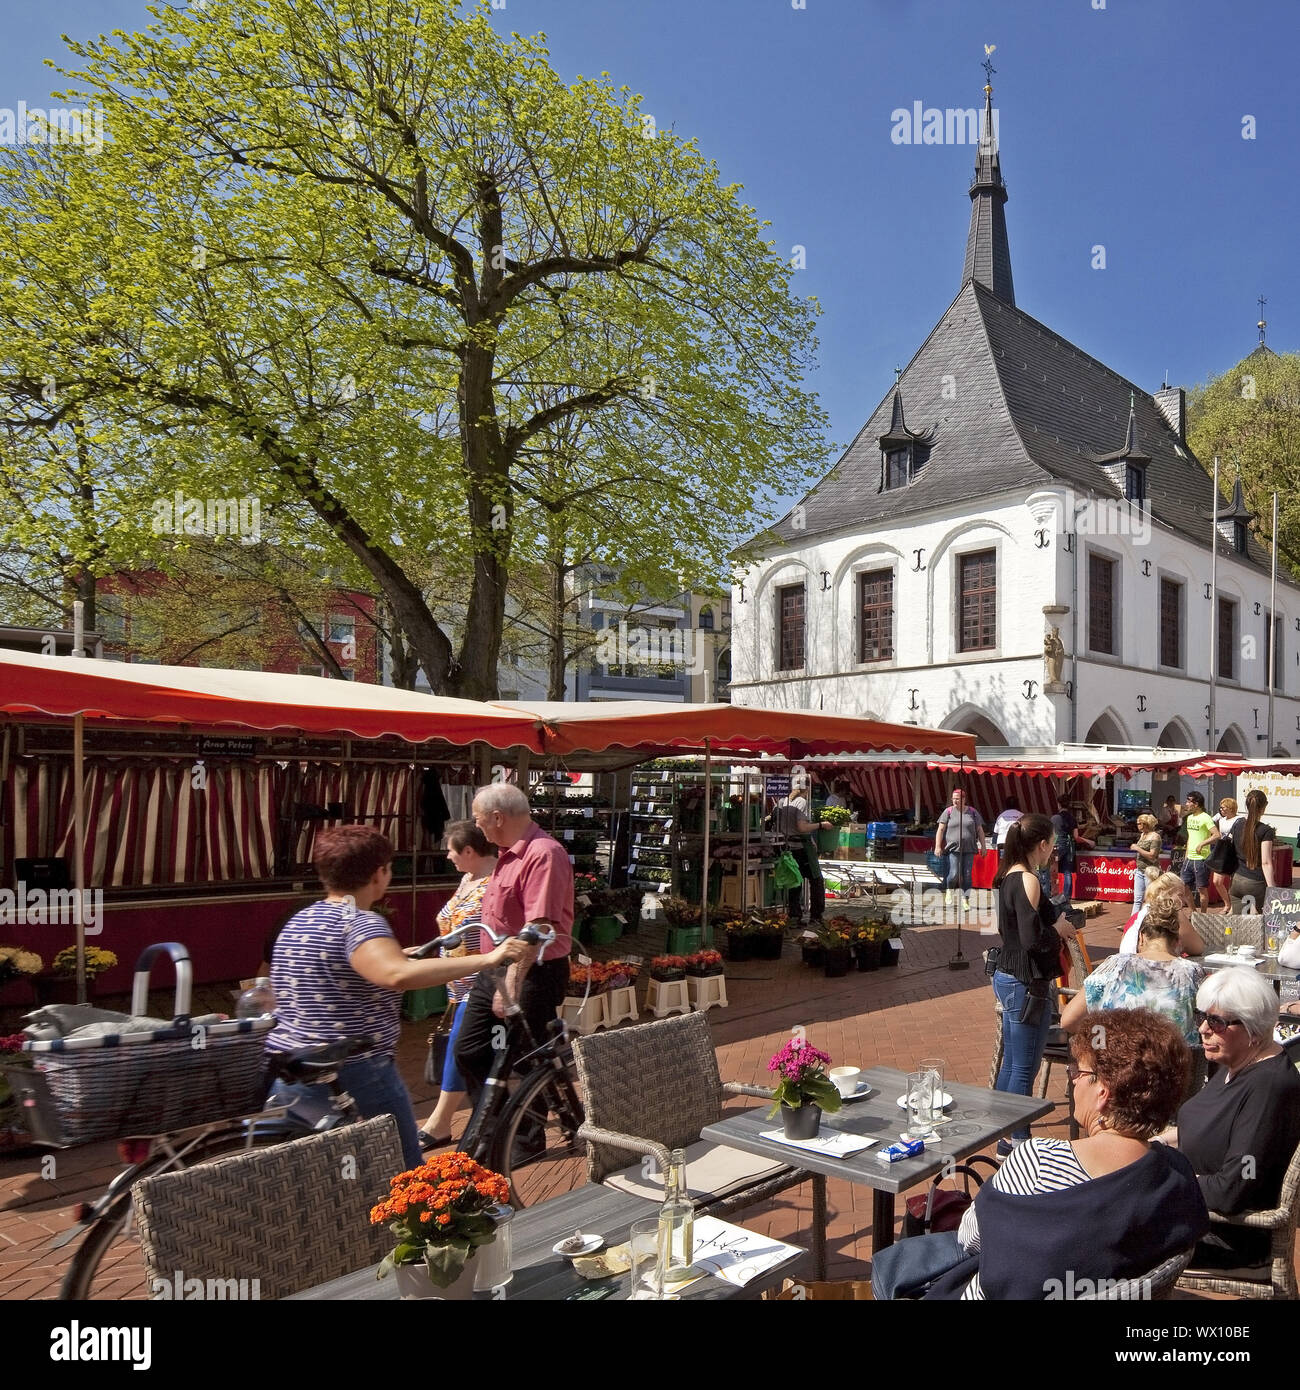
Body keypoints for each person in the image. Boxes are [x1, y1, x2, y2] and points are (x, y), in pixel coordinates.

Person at [870, 1010, 1208, 1300]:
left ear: (1103, 1092)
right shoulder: (1177, 1175)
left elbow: (970, 1237)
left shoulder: (1038, 1161)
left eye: (1080, 1074)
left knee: (896, 1269)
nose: (1073, 1081)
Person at [264, 825, 527, 1168]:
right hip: (356, 1069)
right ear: (380, 873)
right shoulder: (360, 924)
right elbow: (396, 976)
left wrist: (398, 954)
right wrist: (489, 958)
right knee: (404, 1171)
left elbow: (334, 969)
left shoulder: (301, 918)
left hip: (289, 1066)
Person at [455, 784, 574, 1153]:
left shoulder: (543, 854)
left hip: (531, 971)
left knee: (525, 1057)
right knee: (471, 1049)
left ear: (497, 818)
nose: (478, 828)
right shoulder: (507, 854)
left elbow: (538, 928)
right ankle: (497, 1127)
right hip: (496, 968)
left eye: (479, 820)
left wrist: (511, 983)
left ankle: (524, 1139)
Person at [1157, 968, 1300, 1271]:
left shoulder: (1268, 1087)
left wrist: (1158, 1177)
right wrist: (1156, 1141)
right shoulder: (1235, 1060)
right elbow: (1213, 1127)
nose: (1204, 1029)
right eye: (1203, 1017)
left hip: (1226, 1235)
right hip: (1193, 1213)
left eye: (1218, 1022)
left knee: (1101, 1229)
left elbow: (1232, 1189)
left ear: (1254, 1030)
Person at [989, 814, 1076, 1154]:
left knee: (1012, 1061)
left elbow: (1011, 929)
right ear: (1041, 845)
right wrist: (1058, 931)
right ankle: (1017, 1142)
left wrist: (1053, 919)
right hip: (1026, 981)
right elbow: (1030, 939)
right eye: (1052, 846)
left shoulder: (1008, 875)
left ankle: (1001, 1133)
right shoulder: (1028, 879)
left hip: (1009, 976)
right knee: (1025, 1065)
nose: (1053, 853)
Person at [417, 821, 496, 1151]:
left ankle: (440, 1121)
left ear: (469, 851)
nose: (447, 856)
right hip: (456, 981)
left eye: (452, 850)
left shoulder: (493, 884)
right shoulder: (468, 879)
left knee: (459, 1048)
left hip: (479, 979)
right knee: (469, 1051)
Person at [1061, 894, 1206, 1046]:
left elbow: (1068, 1021)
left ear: (1142, 938)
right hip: (1175, 1066)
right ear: (1177, 942)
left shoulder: (1115, 966)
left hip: (1119, 1064)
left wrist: (1106, 1039)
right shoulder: (1193, 973)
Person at [772, 777, 825, 925]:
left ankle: (795, 915)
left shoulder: (783, 801)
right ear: (807, 788)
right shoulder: (801, 802)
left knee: (795, 881)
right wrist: (821, 825)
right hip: (802, 847)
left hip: (789, 847)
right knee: (816, 880)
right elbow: (802, 827)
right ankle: (816, 916)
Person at [1117, 871, 1204, 957]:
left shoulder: (1136, 917)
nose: (1184, 901)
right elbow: (1198, 948)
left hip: (1130, 966)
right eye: (1180, 895)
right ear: (1164, 893)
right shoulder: (1173, 914)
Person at [934, 788, 987, 910]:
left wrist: (983, 846)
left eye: (957, 798)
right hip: (953, 848)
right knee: (954, 874)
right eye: (953, 798)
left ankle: (965, 899)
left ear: (964, 799)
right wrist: (938, 846)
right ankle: (949, 890)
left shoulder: (973, 812)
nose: (955, 801)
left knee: (967, 875)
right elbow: (940, 829)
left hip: (969, 848)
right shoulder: (948, 812)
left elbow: (980, 830)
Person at [1228, 788, 1276, 915]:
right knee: (1258, 923)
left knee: (1238, 922)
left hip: (1237, 881)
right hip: (1256, 882)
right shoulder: (1266, 831)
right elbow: (1266, 863)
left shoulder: (1237, 824)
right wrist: (1272, 889)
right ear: (1264, 807)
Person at [1179, 791, 1219, 908]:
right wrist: (1186, 856)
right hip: (1189, 859)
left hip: (1201, 859)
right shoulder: (1189, 818)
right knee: (1184, 887)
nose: (1186, 804)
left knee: (1202, 889)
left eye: (1188, 801)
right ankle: (1193, 912)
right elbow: (1190, 838)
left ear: (1196, 804)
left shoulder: (1206, 818)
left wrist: (1202, 843)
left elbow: (1217, 835)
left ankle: (1203, 915)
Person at [1050, 797, 1093, 902]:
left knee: (1053, 872)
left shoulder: (1054, 818)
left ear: (1059, 805)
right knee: (1067, 873)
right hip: (1068, 847)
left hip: (1056, 847)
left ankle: (1053, 896)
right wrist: (1089, 841)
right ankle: (1066, 898)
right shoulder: (1072, 819)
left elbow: (1050, 834)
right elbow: (1076, 837)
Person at [1208, 797, 1244, 915]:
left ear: (1230, 808)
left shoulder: (1240, 819)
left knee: (1233, 882)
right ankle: (1227, 904)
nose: (1221, 809)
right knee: (1217, 881)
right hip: (1223, 852)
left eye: (1223, 807)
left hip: (1234, 852)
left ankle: (1233, 906)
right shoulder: (1221, 820)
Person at [1131, 812, 1163, 908]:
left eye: (1139, 823)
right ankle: (1134, 922)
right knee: (1137, 900)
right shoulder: (1143, 835)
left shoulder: (1155, 836)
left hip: (1150, 872)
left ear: (1145, 824)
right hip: (1140, 870)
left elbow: (1152, 855)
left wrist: (1137, 848)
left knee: (1150, 899)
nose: (1138, 826)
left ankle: (1150, 920)